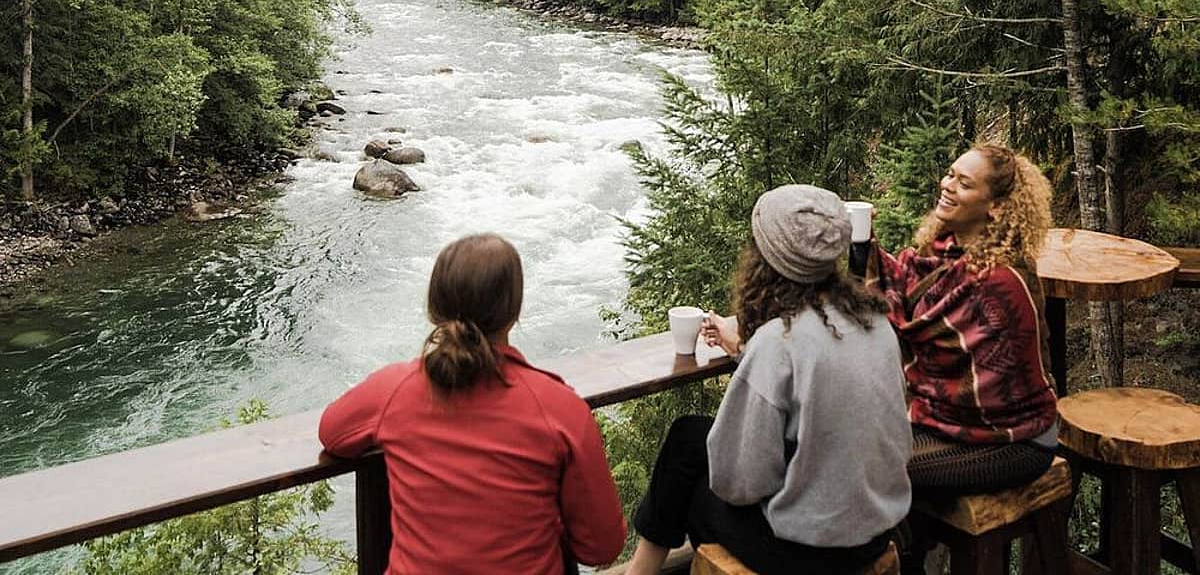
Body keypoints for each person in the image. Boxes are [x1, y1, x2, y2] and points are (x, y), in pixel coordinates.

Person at [626, 185, 912, 575]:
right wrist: (745, 349)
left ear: (765, 260)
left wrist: (753, 351)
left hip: (807, 554)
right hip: (877, 531)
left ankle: (637, 572)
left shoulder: (779, 342)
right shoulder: (876, 323)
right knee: (691, 437)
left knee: (685, 449)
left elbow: (740, 484)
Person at [319, 233, 626, 575]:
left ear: (435, 309)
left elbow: (333, 433)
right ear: (513, 313)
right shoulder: (558, 408)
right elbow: (601, 545)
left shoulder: (395, 390)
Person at [866, 143, 1058, 495]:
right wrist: (861, 243)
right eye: (950, 174)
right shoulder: (942, 252)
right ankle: (905, 546)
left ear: (996, 208)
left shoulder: (1000, 283)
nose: (947, 185)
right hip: (947, 418)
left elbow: (976, 389)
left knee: (867, 463)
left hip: (1012, 437)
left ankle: (899, 549)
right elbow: (901, 291)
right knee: (853, 442)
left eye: (964, 184)